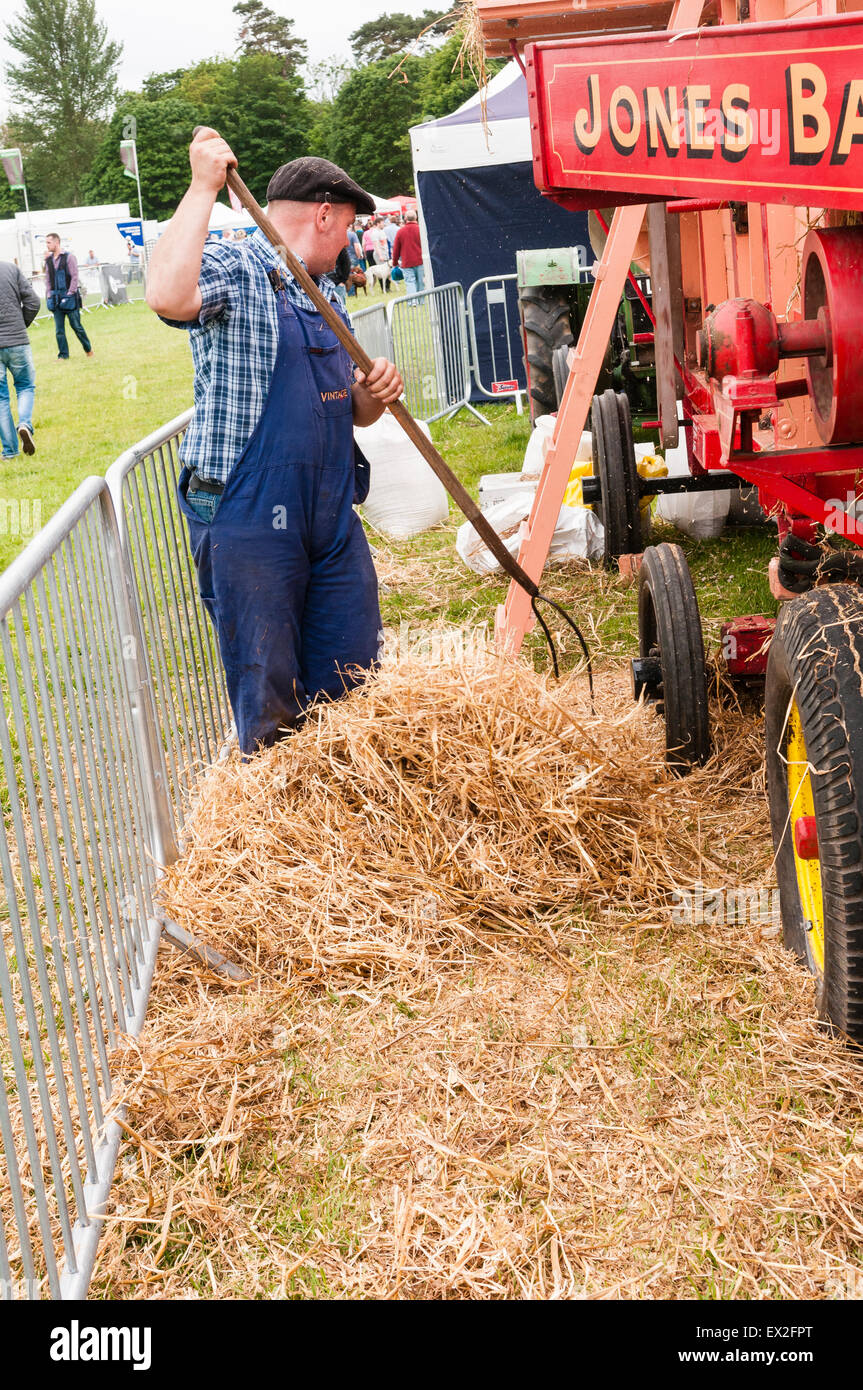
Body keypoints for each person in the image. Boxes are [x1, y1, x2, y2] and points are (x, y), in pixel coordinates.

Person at [145, 132, 404, 755]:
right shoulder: (237, 270)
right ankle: (280, 825)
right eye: (345, 227)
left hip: (328, 515)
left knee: (353, 676)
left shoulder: (328, 292)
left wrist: (373, 394)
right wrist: (202, 185)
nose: (347, 242)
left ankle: (348, 808)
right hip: (249, 518)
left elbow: (349, 412)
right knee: (269, 695)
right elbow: (167, 296)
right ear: (322, 214)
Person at [0, 259, 39, 459]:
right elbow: (33, 301)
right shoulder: (10, 268)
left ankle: (10, 451)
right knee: (25, 386)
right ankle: (24, 424)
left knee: (0, 398)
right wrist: (20, 326)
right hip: (17, 341)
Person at [44, 234, 93, 360]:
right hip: (55, 299)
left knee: (76, 326)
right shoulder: (48, 260)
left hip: (70, 298)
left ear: (56, 243)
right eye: (46, 242)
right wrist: (49, 294)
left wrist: (70, 294)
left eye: (49, 242)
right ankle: (63, 355)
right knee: (59, 330)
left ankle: (88, 349)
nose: (47, 245)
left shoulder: (69, 257)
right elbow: (48, 280)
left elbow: (74, 277)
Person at [392, 210, 425, 296]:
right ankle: (421, 300)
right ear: (416, 217)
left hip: (407, 261)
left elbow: (396, 249)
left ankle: (413, 301)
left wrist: (395, 262)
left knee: (410, 281)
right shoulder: (421, 230)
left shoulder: (400, 232)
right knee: (421, 281)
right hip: (420, 260)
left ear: (405, 218)